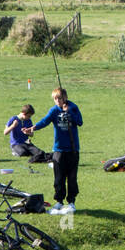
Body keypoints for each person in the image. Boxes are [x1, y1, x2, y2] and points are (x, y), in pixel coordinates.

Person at [27, 87, 83, 215]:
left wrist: (69, 113)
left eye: (59, 98)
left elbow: (80, 122)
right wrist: (33, 128)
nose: (57, 101)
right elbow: (45, 121)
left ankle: (71, 202)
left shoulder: (73, 107)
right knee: (59, 178)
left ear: (65, 98)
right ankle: (59, 201)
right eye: (55, 99)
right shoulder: (54, 110)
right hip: (58, 150)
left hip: (73, 150)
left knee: (72, 178)